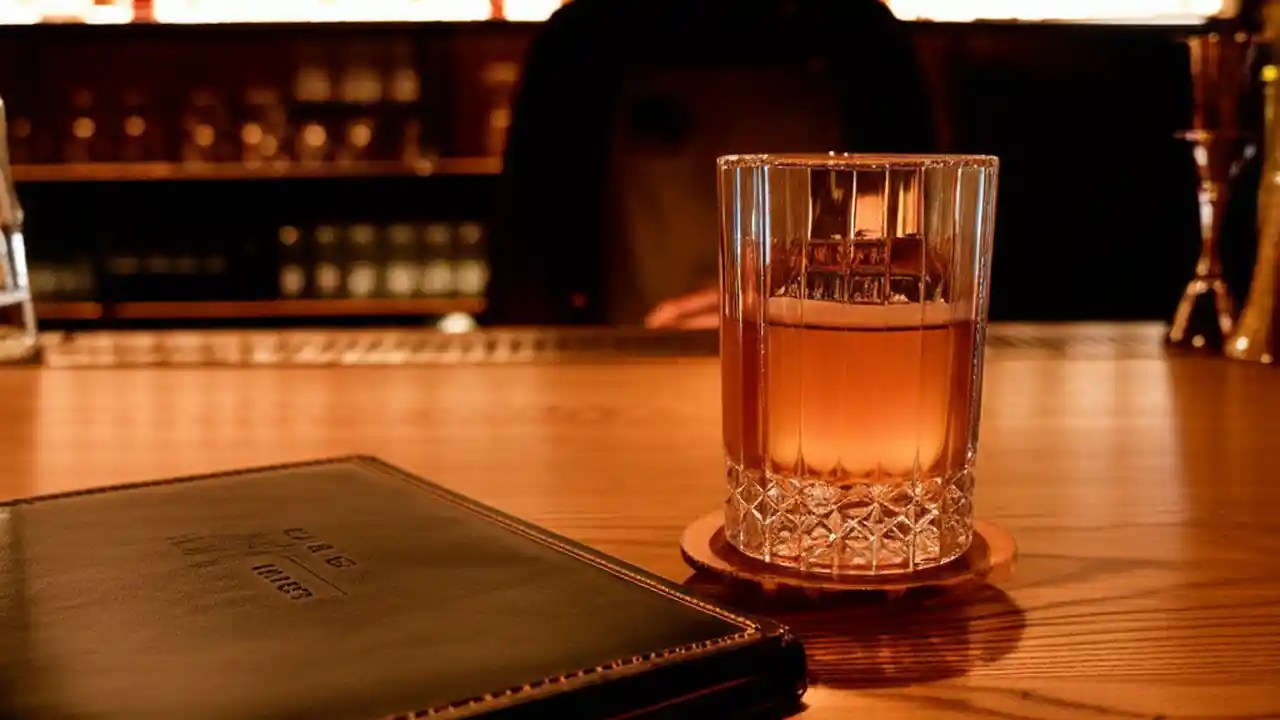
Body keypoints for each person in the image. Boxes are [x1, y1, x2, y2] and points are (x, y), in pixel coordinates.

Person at [488, 0, 937, 328]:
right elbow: (525, 276)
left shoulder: (865, 42)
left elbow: (923, 262)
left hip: (821, 365)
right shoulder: (578, 45)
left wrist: (797, 304)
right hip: (632, 359)